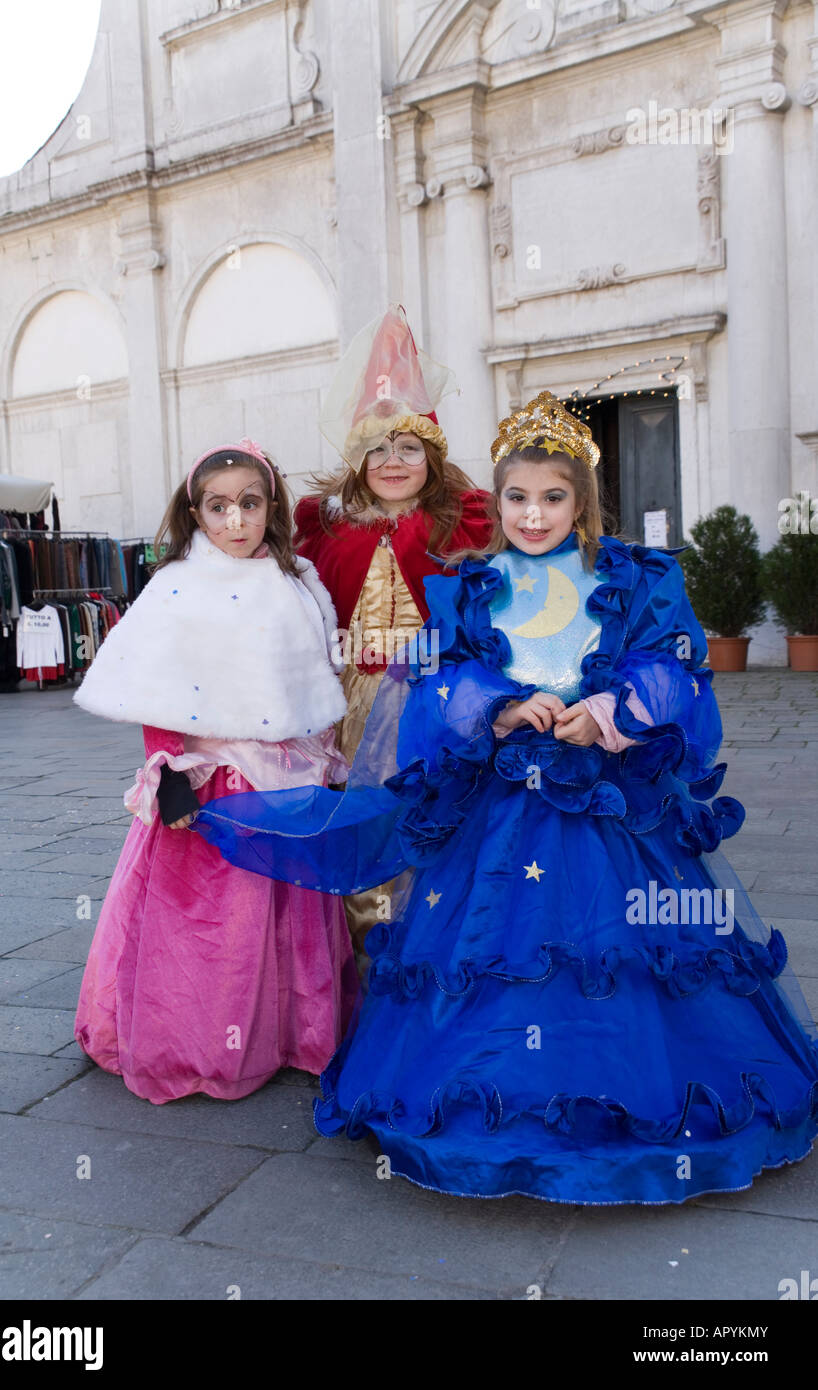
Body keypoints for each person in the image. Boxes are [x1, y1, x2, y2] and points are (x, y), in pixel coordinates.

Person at [193, 395, 818, 1204]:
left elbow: (673, 664)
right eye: (518, 497)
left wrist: (606, 713)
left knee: (624, 949)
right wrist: (500, 707)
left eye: (553, 498)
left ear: (583, 501)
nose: (533, 515)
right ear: (500, 500)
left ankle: (631, 1093)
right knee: (497, 951)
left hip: (610, 806)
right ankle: (489, 1097)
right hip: (501, 809)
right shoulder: (471, 586)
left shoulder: (633, 577)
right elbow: (435, 678)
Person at [72, 441, 358, 1105]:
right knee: (214, 922)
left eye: (249, 505)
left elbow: (311, 675)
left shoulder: (296, 585)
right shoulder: (177, 587)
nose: (236, 521)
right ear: (196, 514)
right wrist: (169, 769)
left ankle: (289, 1032)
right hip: (212, 784)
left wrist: (326, 757)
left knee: (285, 913)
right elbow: (158, 682)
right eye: (219, 507)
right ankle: (197, 1040)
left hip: (286, 783)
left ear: (271, 507)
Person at [295, 304, 493, 954]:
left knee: (436, 819)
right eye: (377, 449)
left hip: (432, 701)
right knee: (365, 824)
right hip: (351, 702)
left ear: (432, 456)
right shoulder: (328, 528)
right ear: (356, 459)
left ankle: (433, 944)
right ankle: (368, 954)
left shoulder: (460, 522)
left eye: (408, 447)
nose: (392, 460)